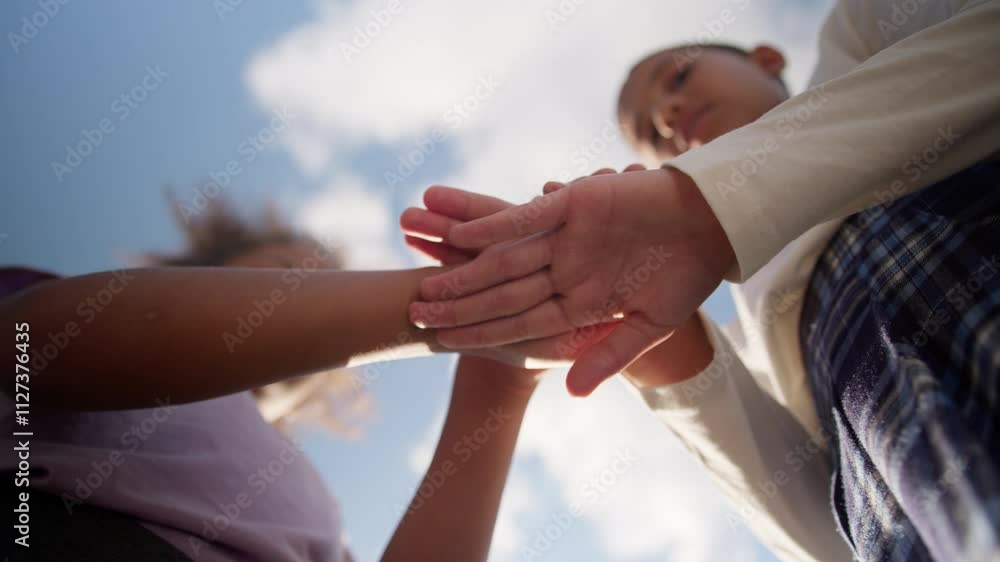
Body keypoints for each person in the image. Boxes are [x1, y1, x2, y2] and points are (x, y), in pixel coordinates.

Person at [404, 0, 1000, 560]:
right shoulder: (761, 336)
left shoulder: (863, 33)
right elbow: (825, 532)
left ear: (766, 58)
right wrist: (668, 354)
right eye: (654, 138)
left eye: (679, 78)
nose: (666, 115)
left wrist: (699, 207)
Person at [1, 198, 607, 561]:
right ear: (209, 275)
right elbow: (23, 346)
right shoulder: (84, 304)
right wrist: (452, 307)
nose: (309, 299)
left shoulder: (311, 502)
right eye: (287, 272)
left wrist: (497, 386)